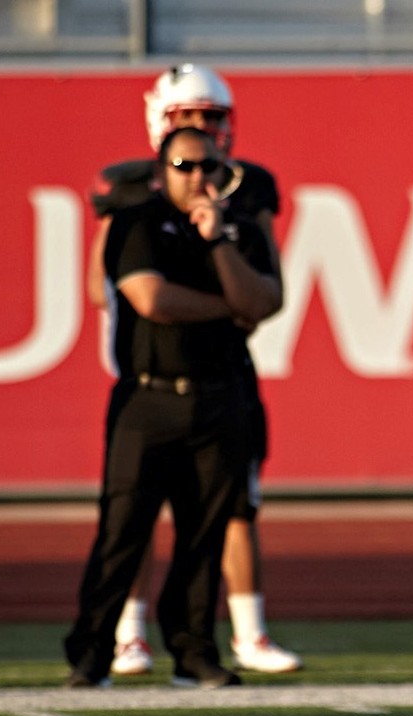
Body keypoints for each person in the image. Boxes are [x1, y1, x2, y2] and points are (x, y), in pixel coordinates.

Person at [87, 63, 301, 676]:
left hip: (222, 376)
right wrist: (218, 306)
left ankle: (246, 633)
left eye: (212, 117)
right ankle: (128, 634)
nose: (204, 130)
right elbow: (107, 288)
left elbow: (266, 291)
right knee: (133, 517)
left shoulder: (245, 188)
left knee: (231, 508)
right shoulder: (131, 191)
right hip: (150, 376)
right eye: (190, 118)